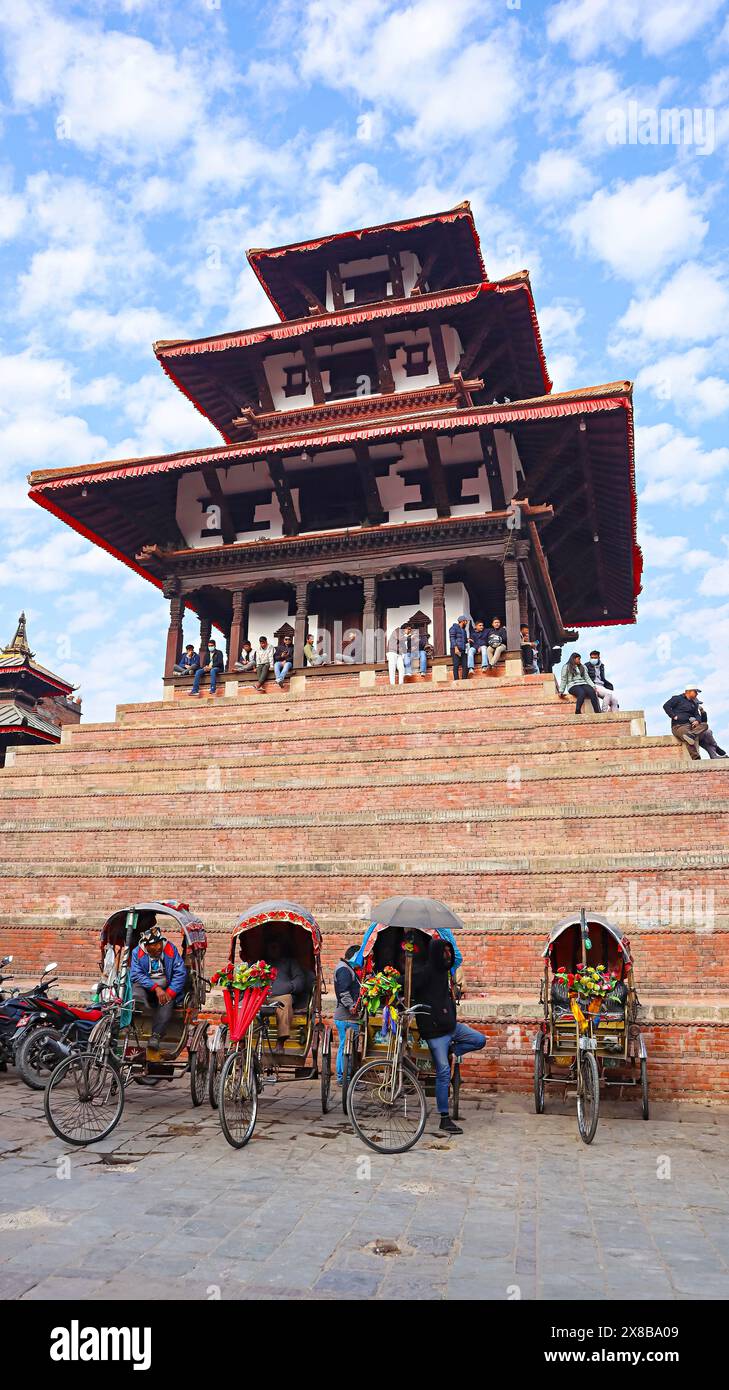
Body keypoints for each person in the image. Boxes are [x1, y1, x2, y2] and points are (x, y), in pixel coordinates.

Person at [413, 938, 485, 1135]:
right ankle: (444, 1118)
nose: (447, 955)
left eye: (448, 951)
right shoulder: (424, 972)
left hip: (451, 1027)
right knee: (444, 1072)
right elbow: (407, 983)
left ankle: (452, 1049)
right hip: (435, 1031)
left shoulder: (446, 974)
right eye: (443, 952)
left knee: (479, 1040)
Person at [130, 927, 187, 1055]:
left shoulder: (170, 949)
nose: (157, 948)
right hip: (146, 988)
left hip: (166, 989)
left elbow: (180, 973)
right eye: (153, 946)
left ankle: (155, 1035)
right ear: (146, 946)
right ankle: (138, 1011)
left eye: (159, 944)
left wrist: (170, 992)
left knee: (167, 1001)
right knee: (136, 991)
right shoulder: (137, 952)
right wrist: (155, 988)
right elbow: (135, 974)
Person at [265, 934, 308, 1047]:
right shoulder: (261, 963)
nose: (273, 950)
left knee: (285, 1001)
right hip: (262, 997)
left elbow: (300, 979)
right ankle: (242, 1042)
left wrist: (289, 986)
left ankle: (281, 1041)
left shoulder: (290, 963)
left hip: (281, 996)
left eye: (275, 947)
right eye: (271, 947)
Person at [663, 687, 726, 760]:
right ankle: (696, 758)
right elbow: (666, 706)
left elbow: (697, 716)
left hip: (692, 727)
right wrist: (673, 716)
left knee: (705, 726)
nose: (697, 694)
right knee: (687, 735)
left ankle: (692, 736)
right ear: (688, 691)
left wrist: (697, 721)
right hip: (679, 726)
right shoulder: (677, 698)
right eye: (695, 692)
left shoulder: (694, 704)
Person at [333, 945, 361, 1084]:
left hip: (345, 1017)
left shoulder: (346, 968)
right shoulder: (344, 969)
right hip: (347, 1017)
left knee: (344, 1046)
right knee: (347, 1048)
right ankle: (344, 1078)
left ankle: (342, 1077)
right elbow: (344, 992)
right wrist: (351, 1006)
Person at [449, 615, 470, 681]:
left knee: (465, 665)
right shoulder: (453, 628)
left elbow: (463, 640)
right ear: (462, 621)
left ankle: (464, 680)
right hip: (455, 649)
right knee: (456, 665)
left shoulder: (464, 630)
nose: (466, 623)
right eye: (466, 621)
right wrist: (455, 648)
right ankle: (456, 680)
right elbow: (452, 638)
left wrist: (468, 640)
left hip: (463, 649)